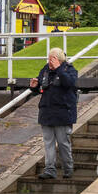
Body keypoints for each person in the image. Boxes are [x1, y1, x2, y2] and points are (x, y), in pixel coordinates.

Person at [30, 50, 79, 179]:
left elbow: (69, 83)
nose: (49, 62)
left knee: (63, 143)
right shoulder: (45, 70)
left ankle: (68, 168)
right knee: (48, 143)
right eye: (49, 59)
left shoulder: (70, 70)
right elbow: (41, 86)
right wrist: (34, 87)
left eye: (52, 59)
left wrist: (59, 69)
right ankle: (50, 169)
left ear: (59, 60)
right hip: (46, 112)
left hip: (63, 113)